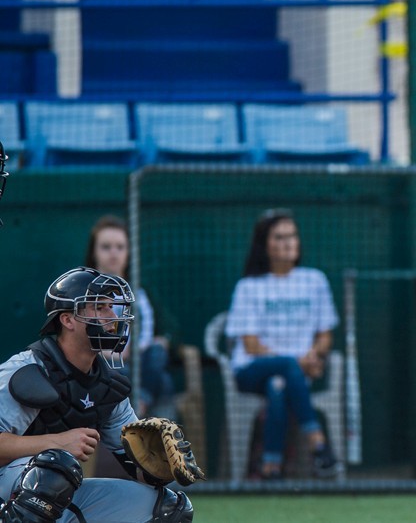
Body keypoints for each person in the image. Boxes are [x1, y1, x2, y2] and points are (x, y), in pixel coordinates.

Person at [0, 267, 195, 522]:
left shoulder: (107, 385)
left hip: (47, 494)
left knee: (170, 508)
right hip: (14, 491)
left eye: (111, 307)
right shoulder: (27, 372)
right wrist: (58, 442)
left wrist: (161, 463)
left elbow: (136, 462)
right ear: (67, 320)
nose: (112, 316)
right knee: (53, 470)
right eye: (99, 307)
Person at [225, 208, 341, 480]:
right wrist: (301, 362)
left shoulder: (314, 280)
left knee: (277, 385)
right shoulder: (249, 286)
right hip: (250, 371)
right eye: (279, 237)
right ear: (265, 245)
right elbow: (251, 345)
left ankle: (271, 467)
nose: (288, 242)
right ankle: (319, 444)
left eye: (292, 236)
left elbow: (325, 335)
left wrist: (315, 353)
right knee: (285, 368)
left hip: (295, 374)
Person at [84, 215, 175, 419]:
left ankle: (145, 412)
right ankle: (143, 433)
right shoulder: (82, 289)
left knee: (158, 353)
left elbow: (169, 330)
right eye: (106, 247)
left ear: (129, 252)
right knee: (159, 381)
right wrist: (111, 354)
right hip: (104, 364)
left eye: (120, 247)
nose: (114, 253)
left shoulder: (141, 290)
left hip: (141, 361)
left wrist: (163, 340)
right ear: (94, 252)